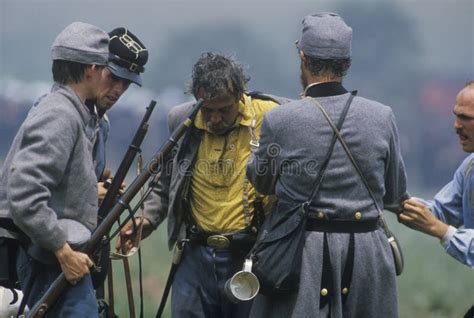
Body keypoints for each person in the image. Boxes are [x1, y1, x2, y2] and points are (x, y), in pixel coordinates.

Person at [246, 13, 408, 318]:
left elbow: (262, 182)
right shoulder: (383, 116)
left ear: (303, 58)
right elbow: (394, 194)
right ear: (346, 63)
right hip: (367, 257)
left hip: (303, 255)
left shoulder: (280, 119)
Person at [118, 52, 290, 317]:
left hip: (254, 257)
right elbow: (165, 184)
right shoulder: (181, 120)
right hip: (194, 256)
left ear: (240, 94)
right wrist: (147, 221)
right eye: (207, 110)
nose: (215, 119)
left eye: (224, 110)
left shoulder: (273, 117)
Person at [0, 21, 110, 316]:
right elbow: (24, 192)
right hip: (52, 257)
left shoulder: (69, 111)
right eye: (103, 68)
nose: (106, 77)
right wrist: (63, 250)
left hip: (56, 255)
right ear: (90, 69)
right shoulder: (60, 115)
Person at [400, 81, 474, 268]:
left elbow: (436, 222)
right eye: (456, 116)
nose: (456, 126)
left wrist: (439, 229)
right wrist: (391, 197)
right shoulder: (470, 167)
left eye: (465, 118)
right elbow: (441, 211)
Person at [92, 27, 149, 195]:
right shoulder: (64, 114)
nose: (118, 90)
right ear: (94, 68)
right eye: (114, 78)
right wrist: (91, 191)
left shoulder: (102, 123)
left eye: (126, 83)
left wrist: (104, 185)